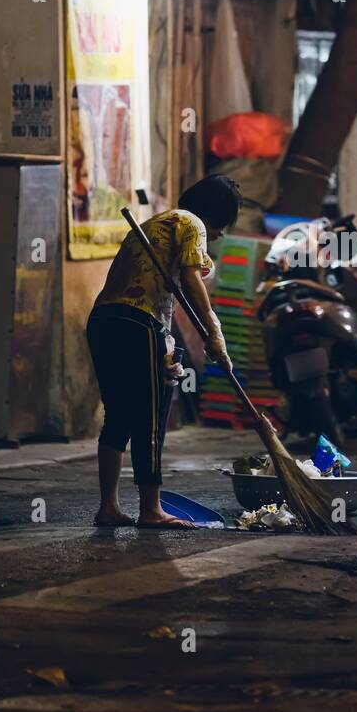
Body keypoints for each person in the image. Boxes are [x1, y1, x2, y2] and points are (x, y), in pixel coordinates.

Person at [86, 176, 241, 528]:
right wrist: (213, 330)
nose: (220, 233)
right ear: (215, 213)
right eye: (224, 223)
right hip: (139, 323)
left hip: (104, 320)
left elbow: (191, 274)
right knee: (151, 417)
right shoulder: (192, 223)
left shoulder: (159, 223)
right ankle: (151, 509)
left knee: (119, 416)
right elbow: (191, 278)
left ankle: (108, 507)